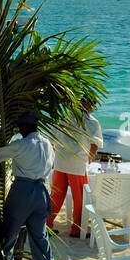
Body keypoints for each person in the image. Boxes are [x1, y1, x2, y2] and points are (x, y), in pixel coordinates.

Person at [0, 112, 55, 260]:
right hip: (42, 192)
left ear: (26, 127)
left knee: (9, 235)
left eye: (21, 126)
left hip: (23, 190)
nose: (20, 130)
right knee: (40, 238)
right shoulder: (48, 145)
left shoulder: (21, 145)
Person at [46, 96, 103, 238]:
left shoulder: (63, 117)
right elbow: (95, 144)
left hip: (60, 162)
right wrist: (89, 159)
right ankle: (76, 229)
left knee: (56, 195)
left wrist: (59, 154)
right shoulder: (91, 122)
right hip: (77, 164)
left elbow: (51, 141)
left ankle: (47, 224)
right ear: (92, 106)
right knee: (80, 199)